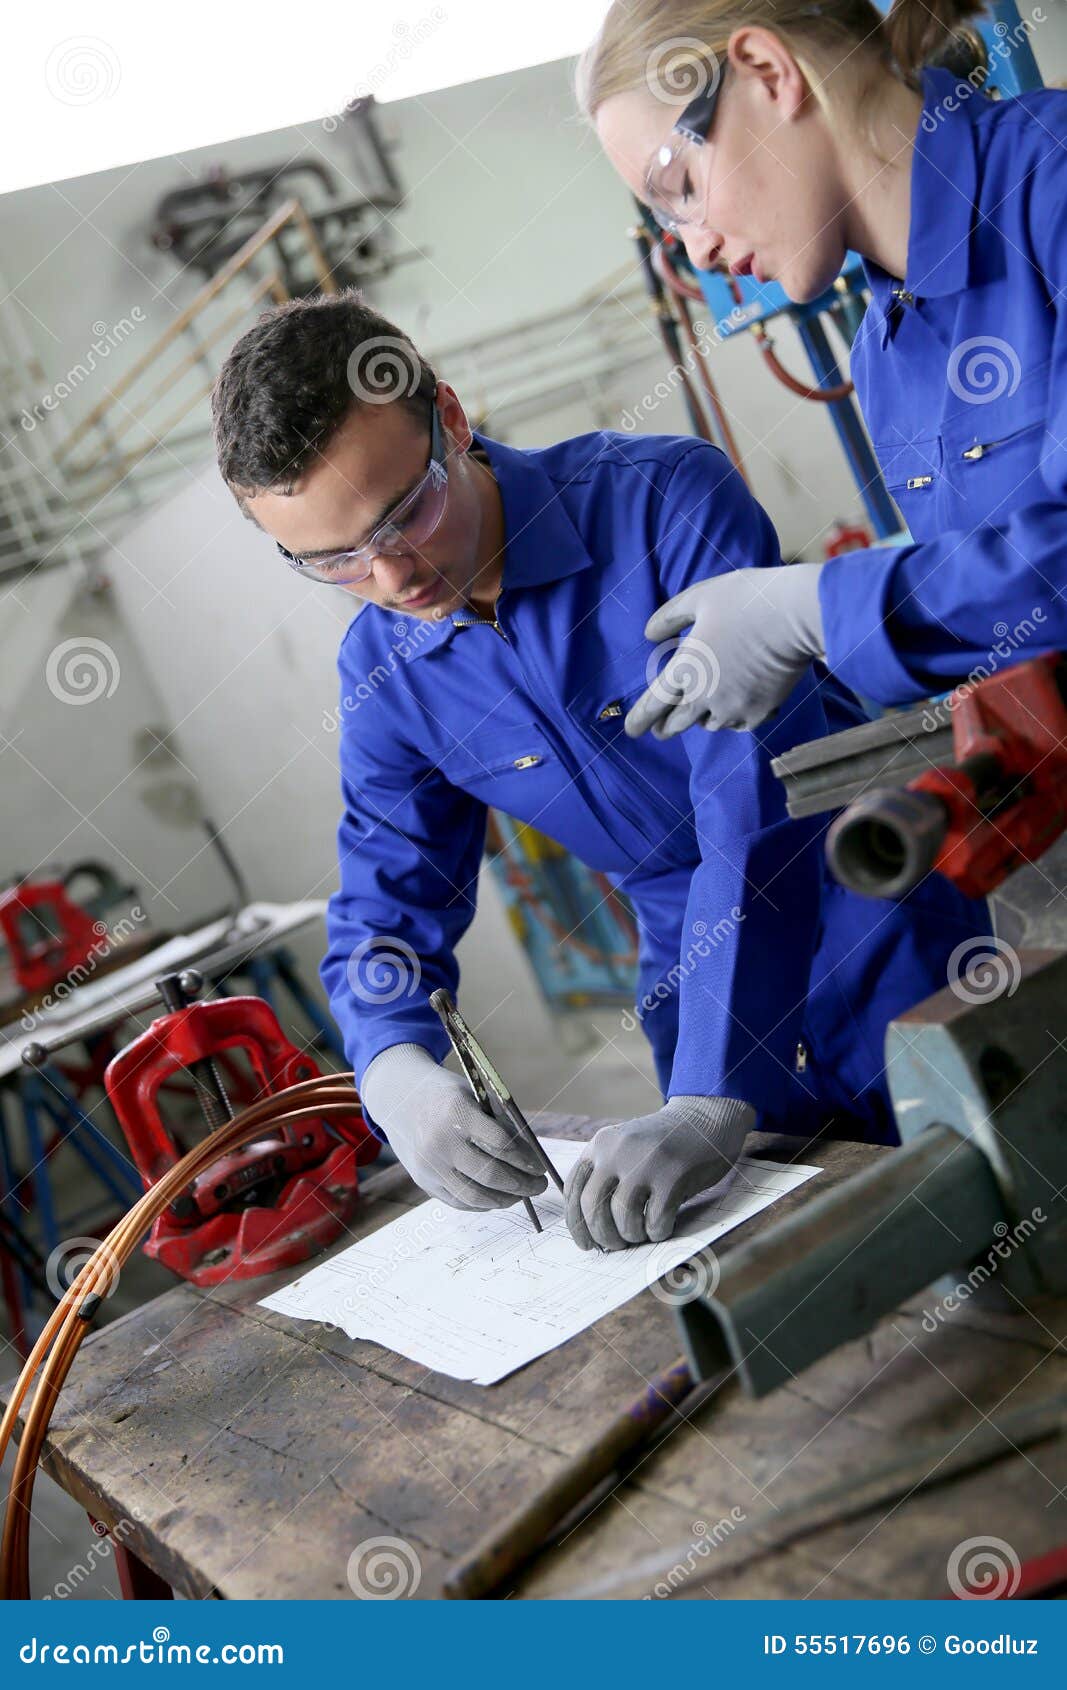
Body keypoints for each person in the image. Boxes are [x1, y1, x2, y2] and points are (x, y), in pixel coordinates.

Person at [210, 292, 985, 1250]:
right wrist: (391, 1065)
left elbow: (748, 797)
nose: (393, 578)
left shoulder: (661, 503)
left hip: (864, 901)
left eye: (405, 514)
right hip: (685, 969)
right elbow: (384, 903)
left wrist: (710, 1091)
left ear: (450, 418)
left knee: (989, 1205)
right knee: (793, 1257)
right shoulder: (385, 675)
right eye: (335, 562)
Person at [576, 0, 1067, 736]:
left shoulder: (1052, 188)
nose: (697, 249)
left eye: (681, 188)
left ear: (770, 73)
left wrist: (819, 608)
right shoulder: (883, 355)